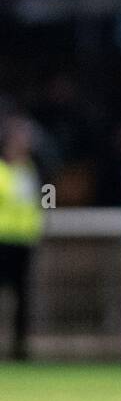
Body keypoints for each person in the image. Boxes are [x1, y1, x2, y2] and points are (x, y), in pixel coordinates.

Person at [0, 116, 44, 361]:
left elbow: (40, 200)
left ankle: (20, 347)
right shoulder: (2, 172)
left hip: (24, 241)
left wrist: (39, 223)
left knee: (22, 296)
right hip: (2, 240)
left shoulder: (29, 171)